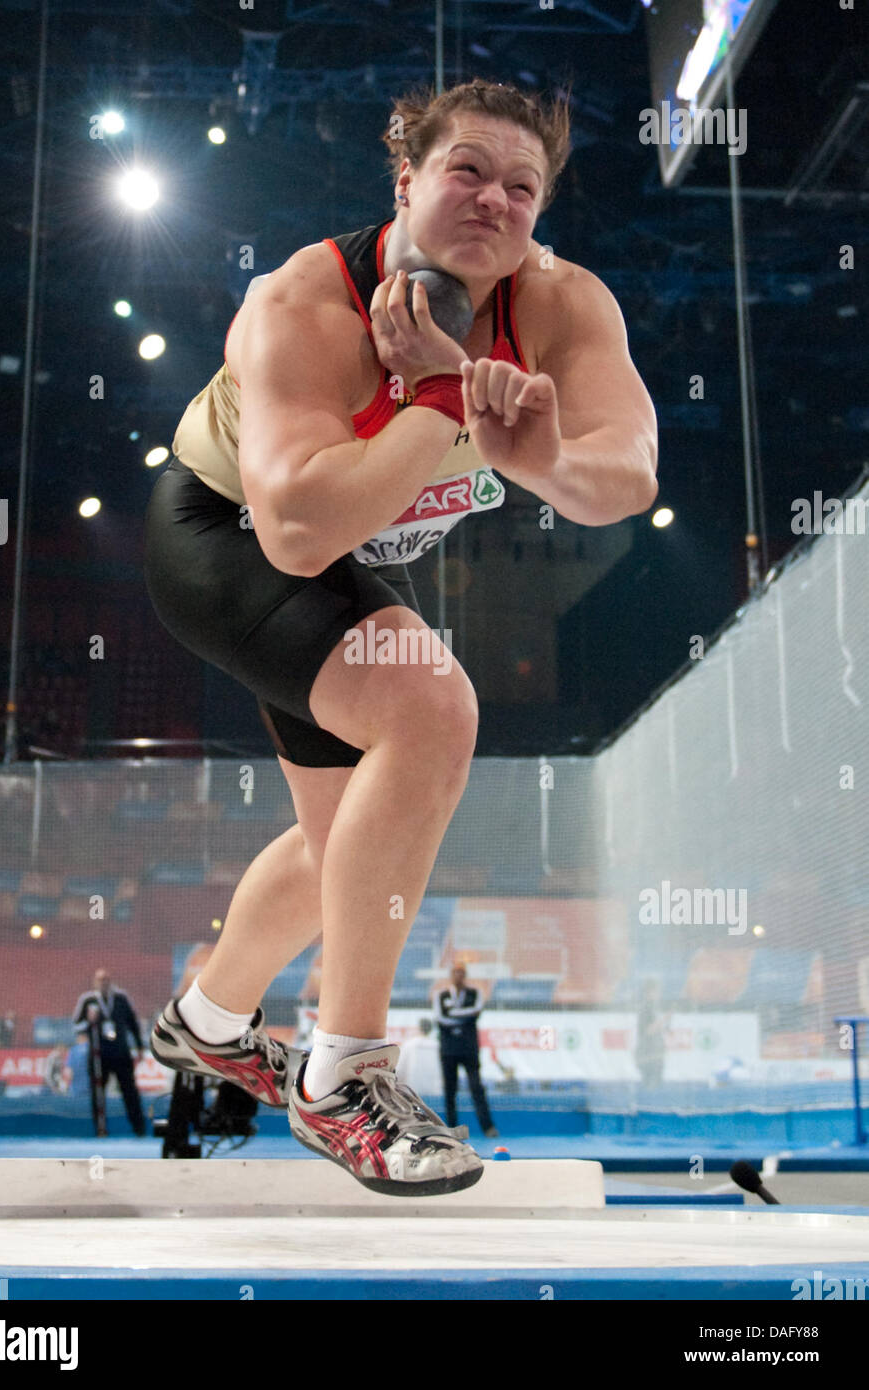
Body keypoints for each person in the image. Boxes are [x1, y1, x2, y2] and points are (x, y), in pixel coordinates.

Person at [145, 78, 658, 1196]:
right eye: (467, 169)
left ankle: (209, 1016)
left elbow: (628, 475)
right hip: (226, 530)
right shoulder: (305, 302)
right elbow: (292, 532)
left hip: (354, 554)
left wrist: (545, 464)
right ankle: (344, 1075)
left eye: (523, 186)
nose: (495, 199)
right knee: (431, 708)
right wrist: (434, 400)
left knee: (345, 848)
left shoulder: (565, 304)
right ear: (406, 182)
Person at [72, 969, 146, 1136]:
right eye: (100, 980)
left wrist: (139, 1047)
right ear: (95, 982)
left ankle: (139, 1128)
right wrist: (88, 1022)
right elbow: (76, 1026)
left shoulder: (121, 998)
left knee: (130, 1091)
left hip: (121, 1053)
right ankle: (100, 1129)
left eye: (106, 980)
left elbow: (133, 1023)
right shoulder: (88, 1000)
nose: (103, 983)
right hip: (99, 1055)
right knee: (98, 1092)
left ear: (110, 981)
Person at [435, 963, 498, 1136]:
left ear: (465, 975)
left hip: (469, 1048)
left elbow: (476, 1011)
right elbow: (440, 1018)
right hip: (448, 1049)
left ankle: (488, 1127)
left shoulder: (474, 993)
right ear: (451, 975)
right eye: (455, 972)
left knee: (476, 1087)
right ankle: (451, 1128)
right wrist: (464, 1019)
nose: (458, 976)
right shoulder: (441, 995)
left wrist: (453, 1014)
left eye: (461, 973)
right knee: (450, 1089)